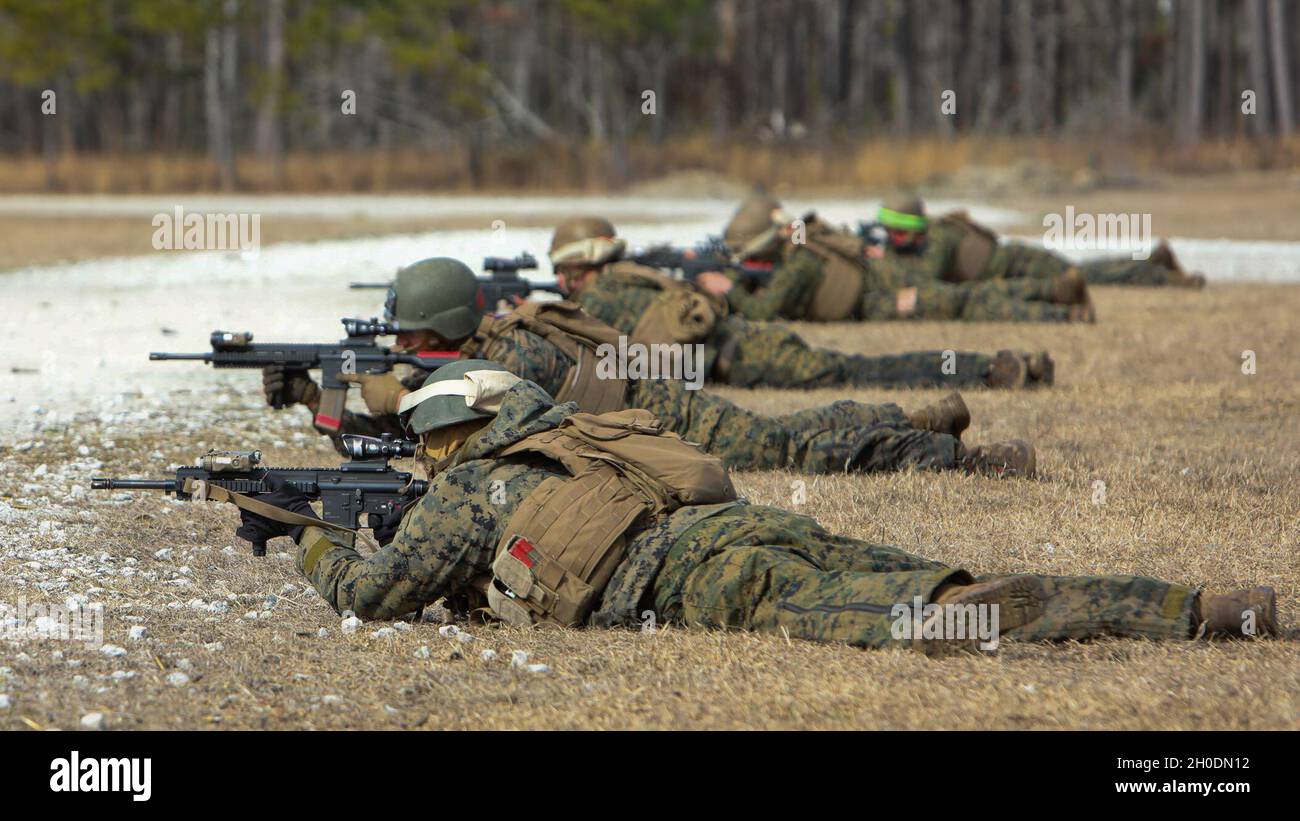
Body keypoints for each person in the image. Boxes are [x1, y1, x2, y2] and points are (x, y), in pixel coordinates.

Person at [232, 360, 1279, 653]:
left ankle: (1161, 611)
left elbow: (372, 597)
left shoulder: (467, 487)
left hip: (706, 573)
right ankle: (1202, 603)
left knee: (921, 613)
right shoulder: (562, 437)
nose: (423, 452)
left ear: (451, 434)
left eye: (427, 437)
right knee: (905, 575)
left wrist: (310, 541)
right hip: (745, 525)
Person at [266, 257, 1037, 476]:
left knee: (794, 446)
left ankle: (960, 454)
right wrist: (311, 395)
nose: (397, 349)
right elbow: (412, 432)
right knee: (790, 432)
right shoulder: (479, 350)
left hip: (668, 414)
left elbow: (442, 416)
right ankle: (910, 417)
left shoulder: (504, 357)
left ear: (434, 329)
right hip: (646, 409)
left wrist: (387, 394)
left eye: (406, 337)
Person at [550, 215, 1058, 387]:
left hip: (745, 354)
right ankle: (996, 367)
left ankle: (990, 370)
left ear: (582, 266)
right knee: (858, 368)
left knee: (861, 373)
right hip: (750, 344)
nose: (562, 283)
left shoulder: (611, 290)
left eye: (565, 273)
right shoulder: (631, 278)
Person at [698, 193, 1095, 323]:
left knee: (969, 300)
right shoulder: (803, 250)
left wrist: (729, 290)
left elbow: (764, 311)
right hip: (883, 288)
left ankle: (1055, 298)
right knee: (969, 299)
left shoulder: (800, 259)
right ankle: (1058, 299)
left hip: (887, 293)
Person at [868, 193, 1206, 289]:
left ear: (915, 229)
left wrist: (884, 261)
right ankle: (1152, 262)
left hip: (1021, 264)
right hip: (1015, 267)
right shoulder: (930, 237)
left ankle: (1164, 276)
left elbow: (927, 279)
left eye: (898, 233)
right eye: (890, 235)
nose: (894, 241)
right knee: (1087, 272)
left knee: (1087, 276)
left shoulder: (937, 241)